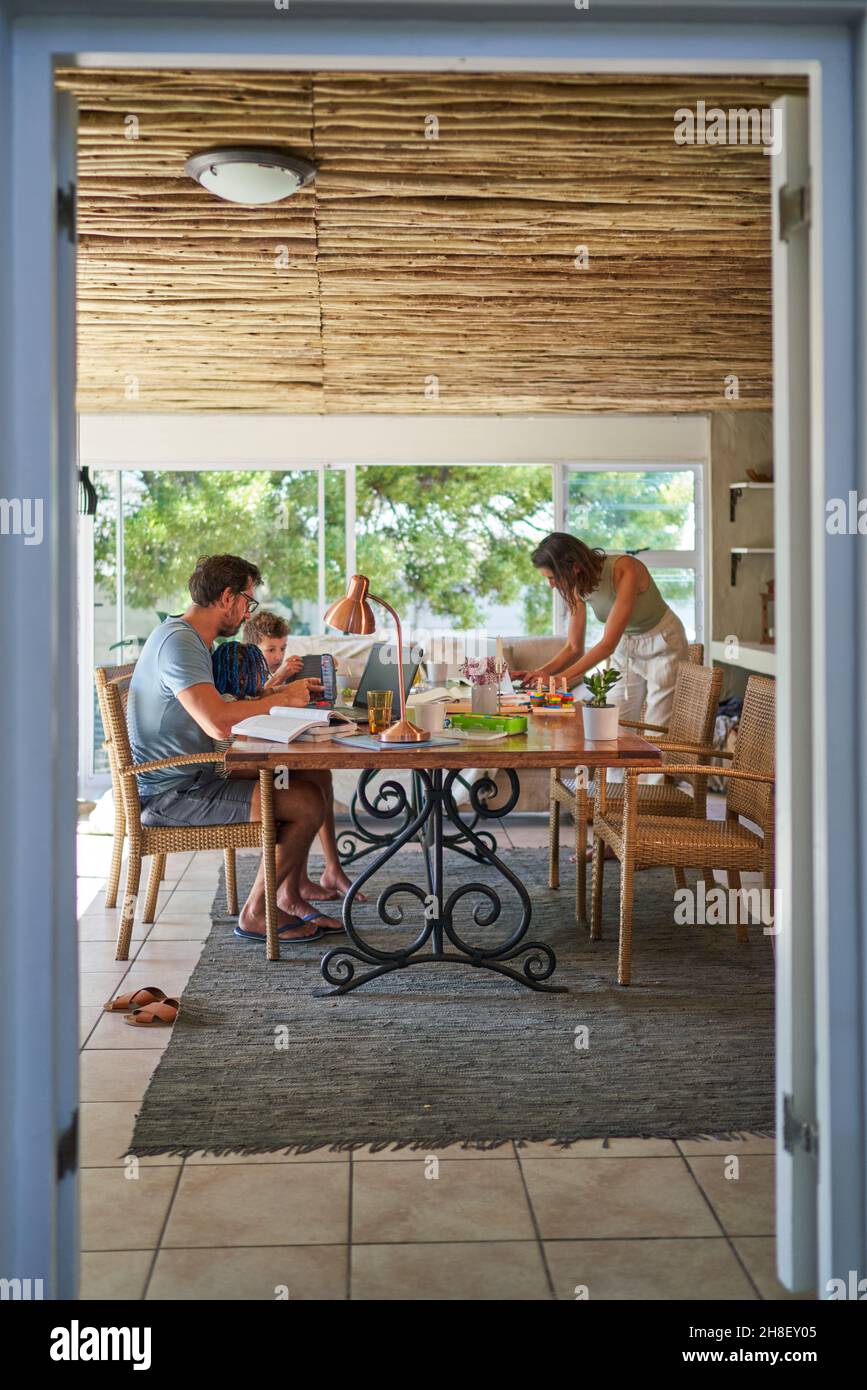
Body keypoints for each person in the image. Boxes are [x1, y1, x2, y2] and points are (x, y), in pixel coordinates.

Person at [127, 554, 353, 944]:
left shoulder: (189, 638)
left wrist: (279, 694)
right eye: (248, 601)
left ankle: (290, 895)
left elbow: (223, 704)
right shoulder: (181, 643)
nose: (248, 614)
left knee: (313, 773)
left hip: (199, 771)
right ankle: (256, 912)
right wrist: (274, 703)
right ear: (227, 597)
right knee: (306, 803)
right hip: (175, 792)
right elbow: (217, 720)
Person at [211, 635, 363, 905]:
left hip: (242, 763)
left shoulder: (234, 695)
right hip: (228, 774)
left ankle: (305, 882)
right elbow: (242, 722)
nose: (254, 682)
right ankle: (280, 897)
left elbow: (258, 697)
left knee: (316, 774)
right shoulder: (227, 702)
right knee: (306, 791)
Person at [512, 531, 689, 729]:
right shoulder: (575, 585)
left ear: (574, 567)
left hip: (662, 641)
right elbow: (573, 647)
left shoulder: (625, 569)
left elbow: (607, 645)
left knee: (656, 729)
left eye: (553, 578)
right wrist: (538, 673)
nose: (551, 585)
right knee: (614, 726)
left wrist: (558, 680)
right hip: (627, 644)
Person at [242, 608, 304, 690]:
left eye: (282, 649)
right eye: (271, 650)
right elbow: (253, 701)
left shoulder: (266, 675)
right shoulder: (239, 675)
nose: (279, 657)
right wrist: (279, 677)